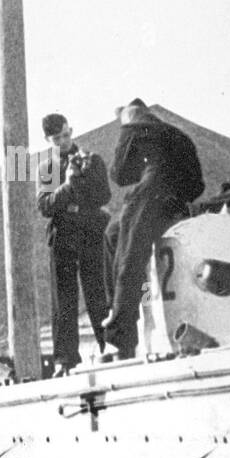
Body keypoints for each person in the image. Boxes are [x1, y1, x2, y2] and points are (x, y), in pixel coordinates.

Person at [101, 99, 204, 358]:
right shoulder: (178, 134)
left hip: (151, 195)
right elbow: (198, 184)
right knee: (114, 235)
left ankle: (119, 333)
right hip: (178, 200)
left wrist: (127, 133)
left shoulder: (133, 127)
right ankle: (121, 315)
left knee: (127, 254)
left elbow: (119, 174)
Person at [37, 113, 111, 374]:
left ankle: (110, 346)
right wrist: (68, 185)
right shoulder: (48, 168)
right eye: (57, 138)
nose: (64, 141)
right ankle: (65, 360)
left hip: (90, 230)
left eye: (67, 135)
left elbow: (104, 195)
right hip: (63, 235)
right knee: (63, 298)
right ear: (48, 139)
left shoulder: (92, 160)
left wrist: (80, 183)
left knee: (97, 291)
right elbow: (45, 206)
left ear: (72, 131)